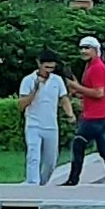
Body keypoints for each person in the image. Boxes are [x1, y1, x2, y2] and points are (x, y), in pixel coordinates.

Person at [62, 33, 105, 186]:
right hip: (102, 113)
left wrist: (76, 87)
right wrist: (79, 90)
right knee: (104, 148)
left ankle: (73, 179)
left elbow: (98, 92)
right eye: (81, 48)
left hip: (96, 115)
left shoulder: (97, 67)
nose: (83, 51)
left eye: (87, 48)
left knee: (79, 143)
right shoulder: (91, 66)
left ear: (96, 49)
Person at [16, 51, 67, 190]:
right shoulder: (28, 80)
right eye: (46, 67)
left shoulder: (57, 80)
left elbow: (64, 98)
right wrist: (35, 90)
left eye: (52, 68)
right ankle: (32, 184)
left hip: (51, 125)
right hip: (33, 125)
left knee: (51, 161)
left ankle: (42, 183)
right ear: (39, 64)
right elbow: (21, 105)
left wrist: (70, 114)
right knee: (33, 155)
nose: (49, 71)